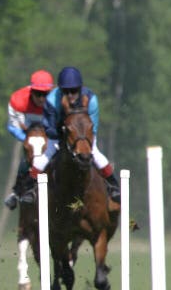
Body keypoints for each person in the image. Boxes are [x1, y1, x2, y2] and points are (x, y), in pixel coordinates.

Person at [36, 66, 120, 201]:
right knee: (47, 154)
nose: (70, 95)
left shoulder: (91, 99)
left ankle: (113, 186)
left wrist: (83, 140)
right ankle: (26, 189)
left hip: (84, 135)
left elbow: (93, 127)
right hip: (58, 133)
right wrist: (63, 133)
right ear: (60, 89)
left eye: (74, 91)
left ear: (80, 89)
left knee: (96, 154)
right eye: (65, 91)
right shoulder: (51, 100)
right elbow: (48, 127)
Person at [3, 69, 54, 209]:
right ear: (31, 91)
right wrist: (30, 140)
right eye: (38, 94)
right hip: (29, 135)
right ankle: (17, 192)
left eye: (45, 94)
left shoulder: (57, 102)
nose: (41, 99)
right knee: (27, 159)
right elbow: (13, 127)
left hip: (50, 135)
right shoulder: (18, 100)